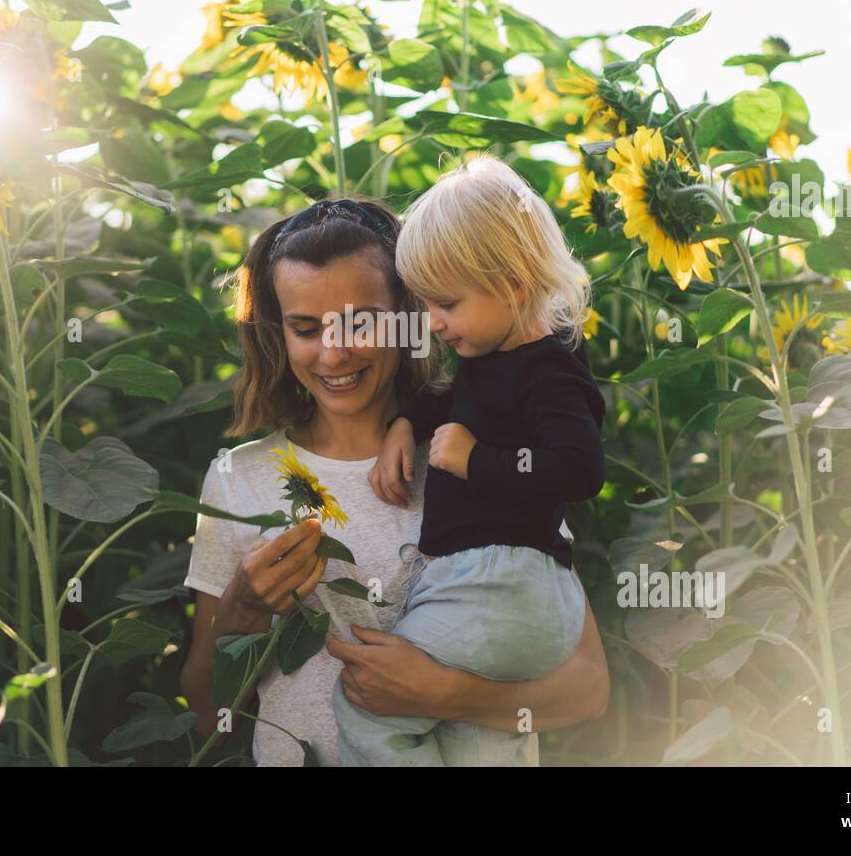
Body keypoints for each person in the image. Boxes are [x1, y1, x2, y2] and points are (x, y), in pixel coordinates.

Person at [179, 194, 610, 766]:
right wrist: (242, 609)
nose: (333, 354)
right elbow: (210, 713)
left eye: (361, 323)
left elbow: (586, 688)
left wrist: (446, 694)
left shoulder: (481, 451)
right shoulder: (241, 479)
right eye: (306, 328)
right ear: (277, 334)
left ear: (412, 314)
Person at [333, 154, 606, 765]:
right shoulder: (495, 357)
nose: (433, 324)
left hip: (500, 585)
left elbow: (579, 469)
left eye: (446, 304)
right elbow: (455, 400)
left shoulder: (551, 368)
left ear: (511, 282)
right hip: (505, 591)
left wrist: (478, 460)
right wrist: (407, 423)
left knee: (369, 701)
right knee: (475, 743)